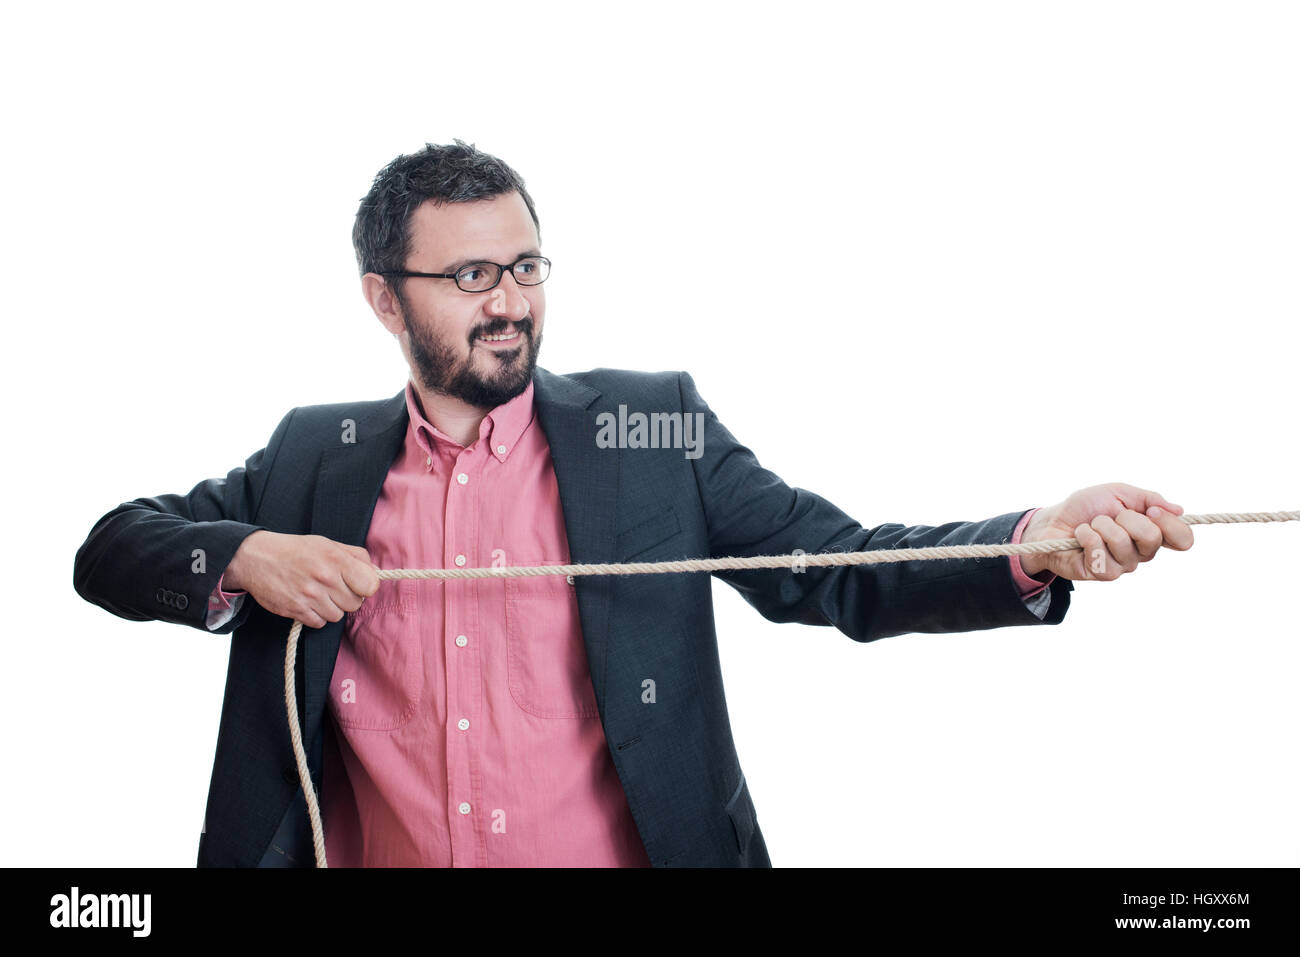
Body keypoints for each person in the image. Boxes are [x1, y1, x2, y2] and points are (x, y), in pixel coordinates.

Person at [72, 140, 1195, 867]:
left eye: (525, 267)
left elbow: (835, 565)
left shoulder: (646, 429)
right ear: (384, 298)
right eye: (470, 278)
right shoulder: (318, 453)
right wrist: (247, 553)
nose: (508, 303)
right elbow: (112, 547)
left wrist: (1034, 542)